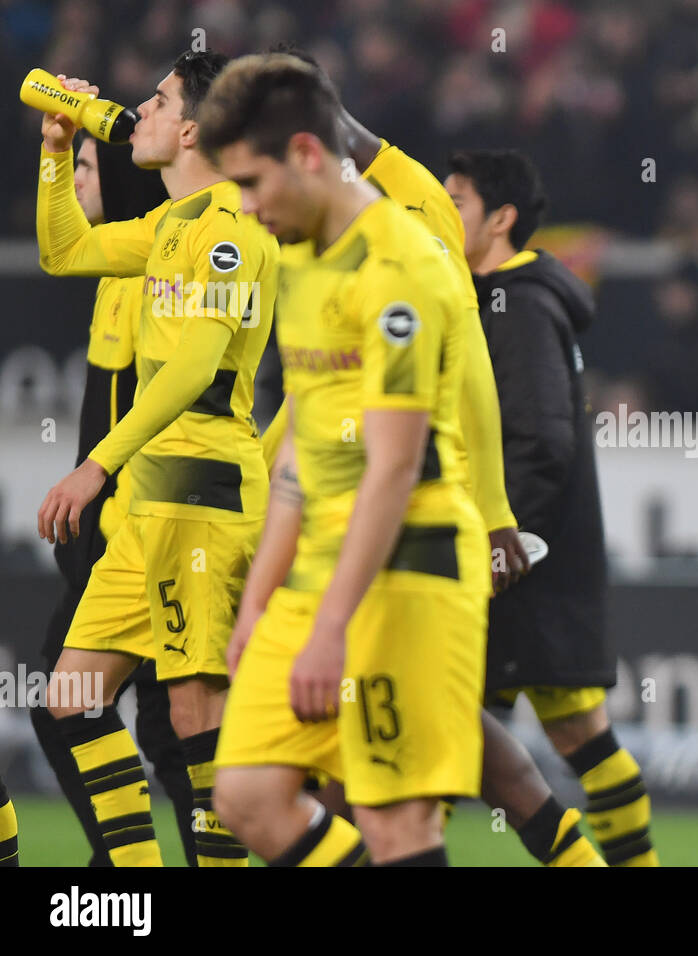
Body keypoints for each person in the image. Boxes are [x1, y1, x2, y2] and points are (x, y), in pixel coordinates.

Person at [264, 45, 603, 866]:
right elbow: (311, 401)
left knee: (377, 770)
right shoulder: (319, 237)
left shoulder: (405, 232)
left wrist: (494, 517)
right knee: (437, 732)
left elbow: (475, 386)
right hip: (352, 514)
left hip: (403, 520)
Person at [200, 53, 488, 866]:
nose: (248, 210)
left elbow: (393, 466)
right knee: (248, 796)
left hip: (409, 574)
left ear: (307, 154)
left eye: (253, 185)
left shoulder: (401, 268)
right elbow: (303, 445)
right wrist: (259, 600)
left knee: (397, 825)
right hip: (315, 573)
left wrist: (330, 630)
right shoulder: (296, 257)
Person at [35, 51, 279, 867]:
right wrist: (57, 150)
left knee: (193, 716)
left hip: (202, 494)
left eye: (158, 98)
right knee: (72, 699)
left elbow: (194, 365)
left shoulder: (231, 233)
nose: (138, 109)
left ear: (193, 128)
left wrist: (94, 463)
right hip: (147, 501)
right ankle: (134, 879)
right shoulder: (169, 227)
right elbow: (63, 252)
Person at [447, 150, 658, 866]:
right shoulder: (504, 297)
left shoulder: (518, 303)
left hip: (524, 566)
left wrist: (503, 540)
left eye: (457, 201)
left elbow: (541, 441)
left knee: (556, 739)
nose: (442, 213)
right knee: (466, 734)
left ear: (501, 219)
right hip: (523, 559)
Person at [27, 134, 199, 867]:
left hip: (144, 526)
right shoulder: (120, 268)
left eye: (90, 171)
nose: (80, 183)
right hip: (115, 528)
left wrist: (96, 488)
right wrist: (57, 149)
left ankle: (124, 867)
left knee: (162, 727)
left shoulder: (157, 268)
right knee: (141, 723)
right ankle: (124, 864)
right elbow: (58, 246)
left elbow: (146, 408)